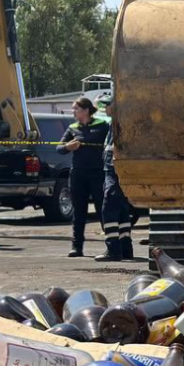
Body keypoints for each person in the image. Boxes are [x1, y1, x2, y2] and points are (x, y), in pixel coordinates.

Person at [57, 96, 110, 257]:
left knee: (103, 209)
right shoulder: (73, 128)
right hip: (78, 173)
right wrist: (68, 146)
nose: (73, 112)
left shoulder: (102, 126)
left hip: (98, 173)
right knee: (79, 211)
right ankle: (76, 246)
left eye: (76, 109)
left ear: (86, 110)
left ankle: (112, 246)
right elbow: (59, 148)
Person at [95, 92, 134, 262]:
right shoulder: (115, 123)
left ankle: (113, 250)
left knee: (108, 208)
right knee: (122, 210)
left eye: (107, 105)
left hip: (115, 170)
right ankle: (126, 248)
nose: (105, 108)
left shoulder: (119, 123)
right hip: (114, 170)